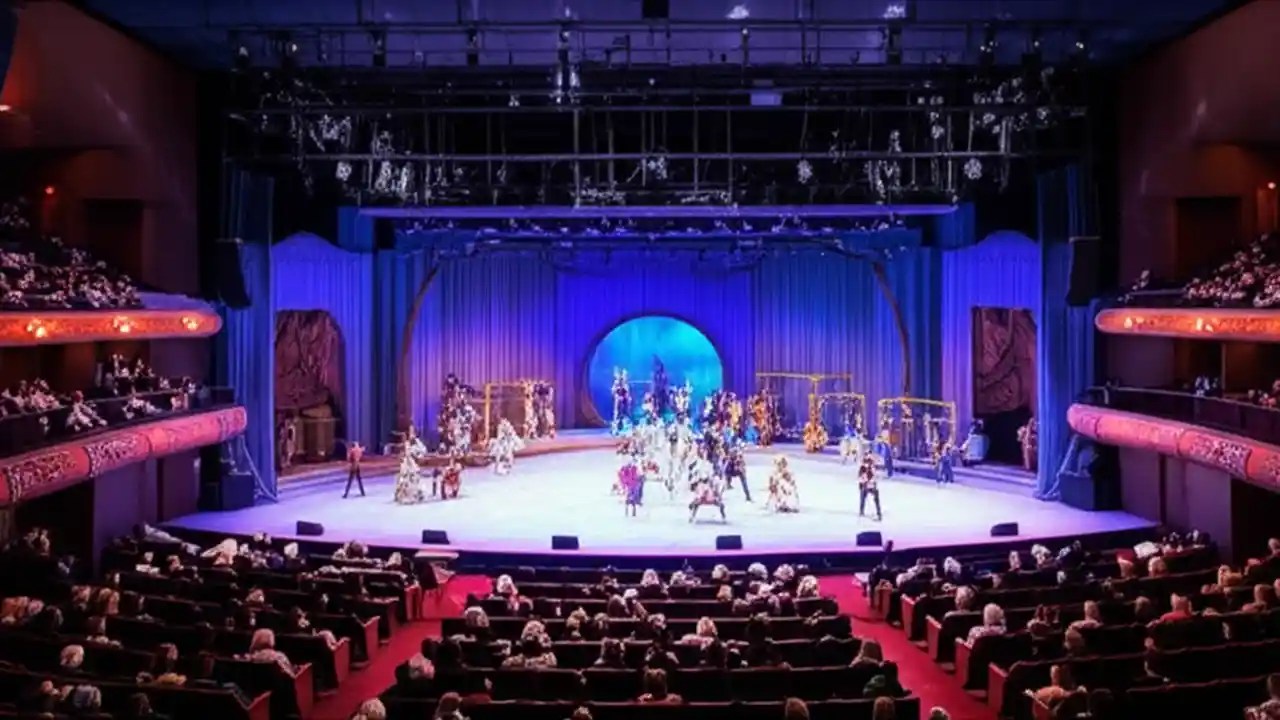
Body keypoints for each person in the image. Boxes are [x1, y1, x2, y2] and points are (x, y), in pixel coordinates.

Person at [858, 454, 882, 520]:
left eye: (868, 461)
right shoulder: (863, 468)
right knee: (863, 498)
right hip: (865, 485)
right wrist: (862, 483)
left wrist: (870, 482)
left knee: (875, 499)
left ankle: (878, 513)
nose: (867, 463)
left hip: (871, 486)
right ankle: (862, 511)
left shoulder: (872, 468)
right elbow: (860, 477)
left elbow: (874, 477)